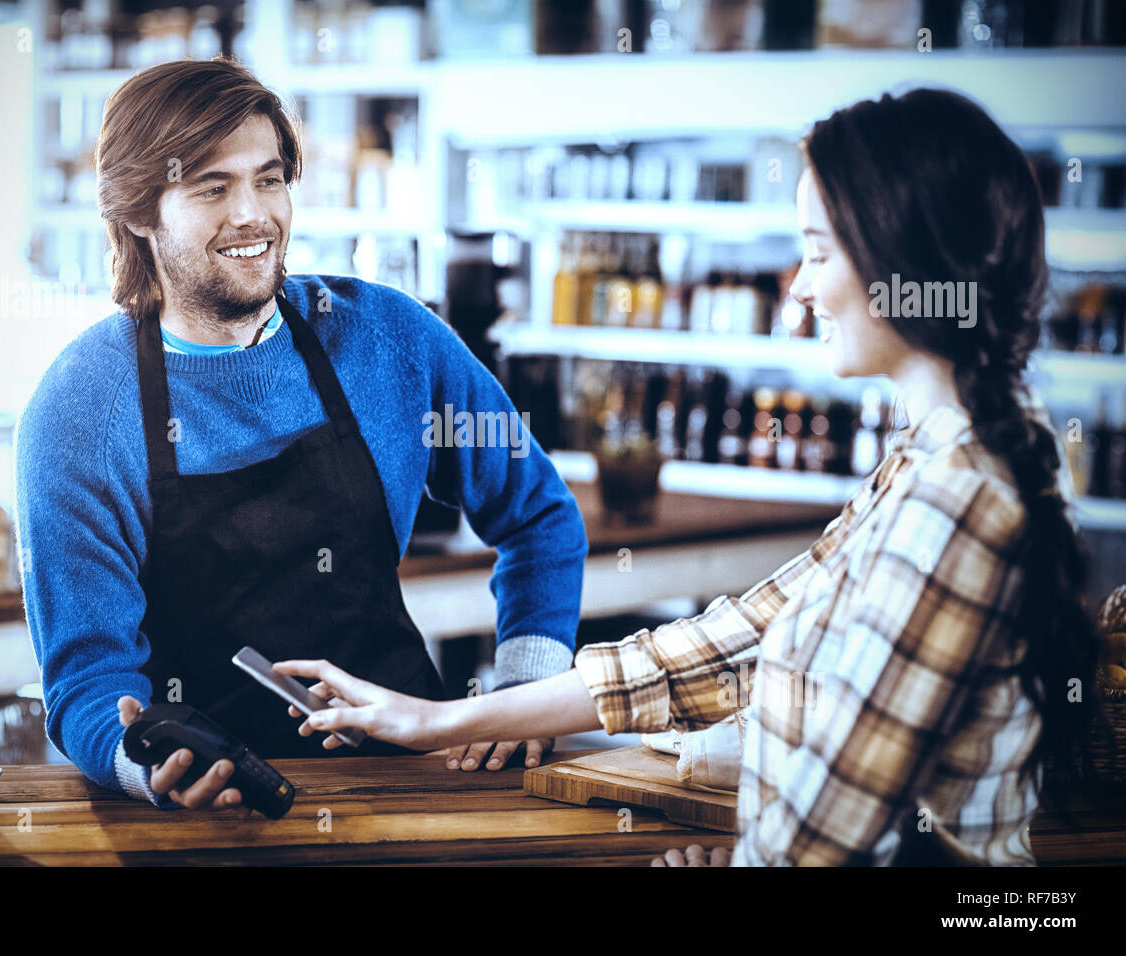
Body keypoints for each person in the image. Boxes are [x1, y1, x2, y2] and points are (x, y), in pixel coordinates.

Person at [272, 88, 1108, 865]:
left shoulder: (954, 503)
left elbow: (818, 846)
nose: (803, 289)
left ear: (904, 262)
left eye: (817, 252)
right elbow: (737, 642)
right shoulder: (930, 462)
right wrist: (443, 718)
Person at [13, 57, 588, 812]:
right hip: (207, 820)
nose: (252, 213)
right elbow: (88, 682)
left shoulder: (388, 339)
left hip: (417, 793)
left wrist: (522, 695)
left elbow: (541, 517)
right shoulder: (78, 408)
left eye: (270, 178)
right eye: (211, 186)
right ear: (138, 211)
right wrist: (140, 761)